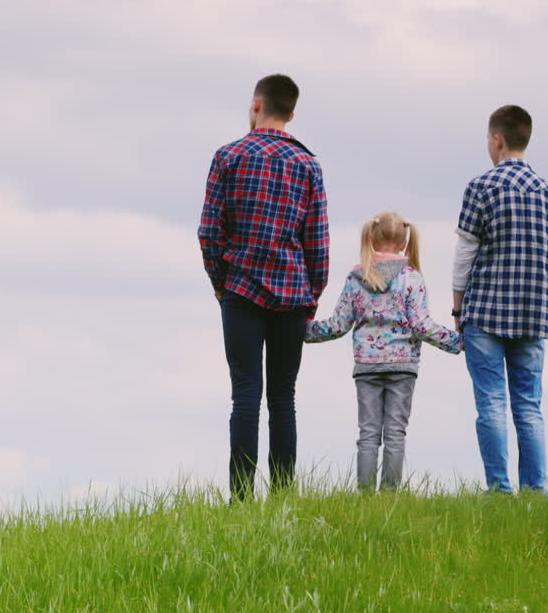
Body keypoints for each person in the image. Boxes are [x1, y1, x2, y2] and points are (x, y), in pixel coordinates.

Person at [198, 73, 329, 500]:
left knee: (245, 396)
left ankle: (240, 498)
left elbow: (209, 231)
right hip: (293, 292)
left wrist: (221, 282)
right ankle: (284, 496)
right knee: (283, 399)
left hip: (240, 291)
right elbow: (318, 244)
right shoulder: (309, 165)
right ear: (291, 113)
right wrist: (311, 297)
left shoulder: (228, 156)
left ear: (257, 105)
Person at [305, 212, 462, 491]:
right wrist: (457, 342)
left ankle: (365, 495)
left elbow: (339, 324)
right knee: (395, 434)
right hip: (403, 368)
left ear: (372, 238)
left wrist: (302, 331)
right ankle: (389, 495)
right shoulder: (412, 279)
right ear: (403, 243)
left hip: (367, 367)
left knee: (367, 434)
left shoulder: (357, 278)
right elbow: (422, 325)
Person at [453, 105, 548, 494]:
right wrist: (540, 298)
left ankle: (499, 489)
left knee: (492, 403)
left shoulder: (480, 187)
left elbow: (465, 253)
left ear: (496, 140)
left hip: (484, 311)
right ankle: (536, 490)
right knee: (529, 406)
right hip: (534, 314)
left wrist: (457, 307)